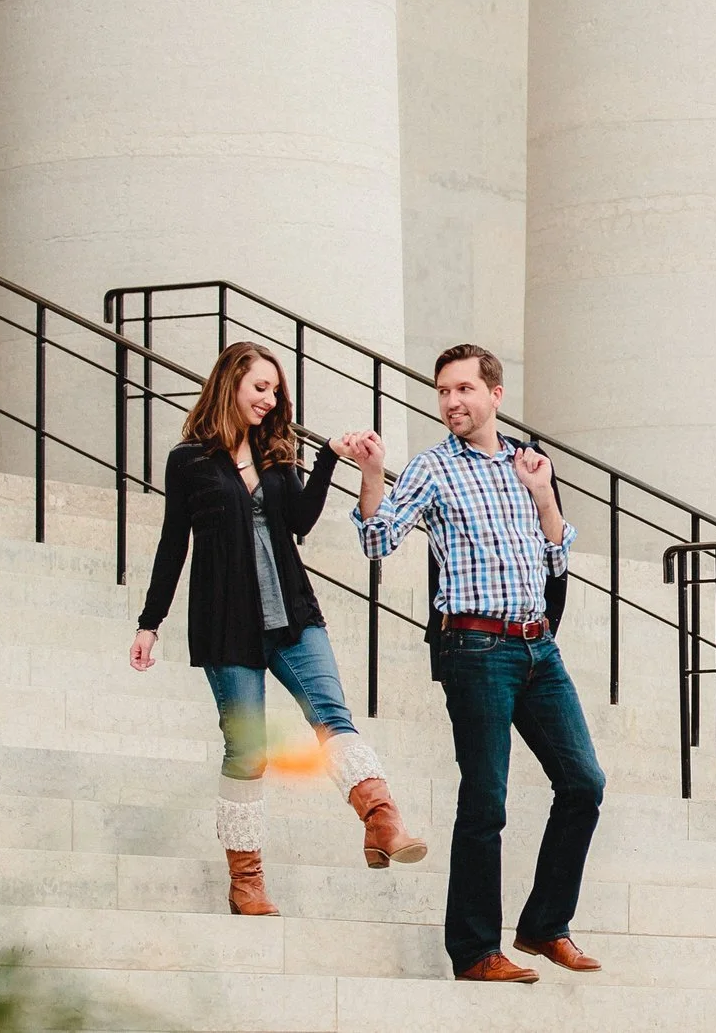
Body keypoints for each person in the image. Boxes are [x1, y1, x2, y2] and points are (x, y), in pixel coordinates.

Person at [337, 342, 605, 984]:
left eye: (463, 389)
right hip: (476, 649)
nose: (451, 402)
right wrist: (372, 474)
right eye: (443, 391)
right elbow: (377, 539)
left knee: (584, 784)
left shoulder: (527, 466)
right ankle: (475, 951)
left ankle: (544, 926)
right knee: (486, 799)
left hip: (538, 647)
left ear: (495, 395)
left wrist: (544, 494)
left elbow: (556, 557)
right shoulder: (433, 468)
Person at [131, 340, 426, 916]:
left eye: (275, 390)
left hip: (292, 614)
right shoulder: (188, 460)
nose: (269, 399)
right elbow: (172, 544)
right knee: (247, 751)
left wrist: (328, 458)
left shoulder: (275, 450)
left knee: (332, 715)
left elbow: (300, 520)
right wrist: (150, 622)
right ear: (230, 384)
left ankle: (381, 820)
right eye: (260, 387)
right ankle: (246, 880)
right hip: (226, 624)